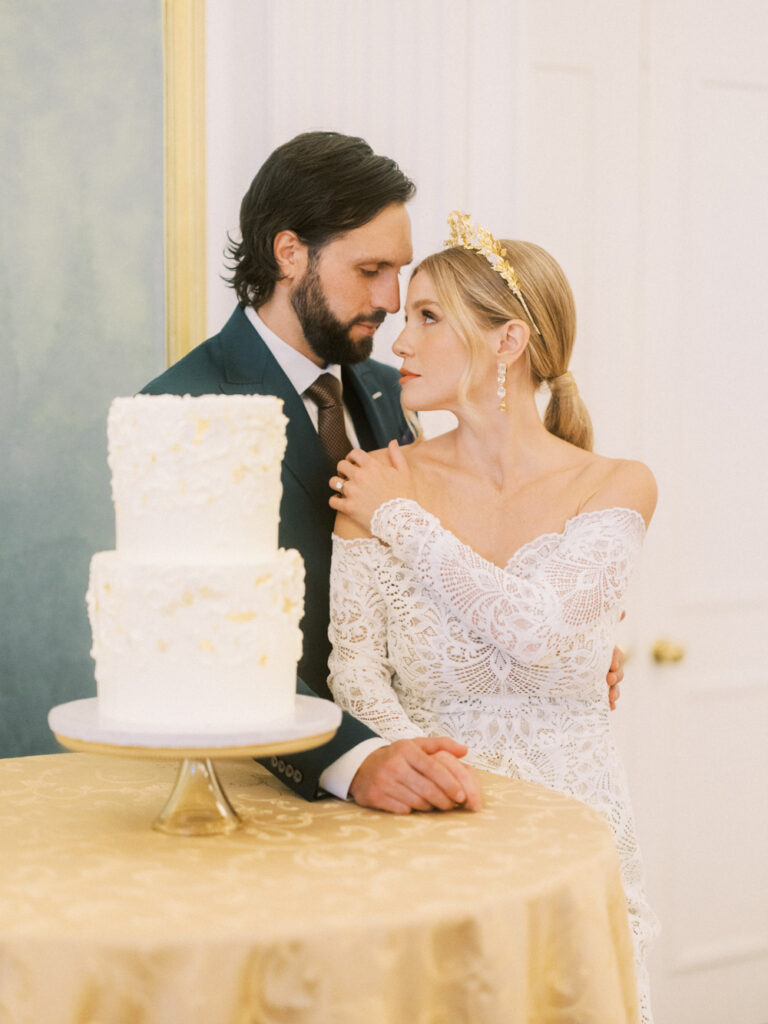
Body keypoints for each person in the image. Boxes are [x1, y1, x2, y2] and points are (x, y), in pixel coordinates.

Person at [142, 132, 620, 817]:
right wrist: (354, 760)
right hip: (258, 794)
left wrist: (558, 655)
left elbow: (438, 575)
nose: (393, 299)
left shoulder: (397, 391)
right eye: (371, 270)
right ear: (289, 253)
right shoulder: (180, 408)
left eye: (399, 271)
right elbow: (205, 634)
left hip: (429, 775)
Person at [327, 212, 659, 1020]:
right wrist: (418, 769)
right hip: (431, 838)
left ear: (508, 343)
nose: (400, 343)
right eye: (406, 318)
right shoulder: (377, 475)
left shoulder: (616, 485)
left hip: (577, 842)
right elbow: (353, 668)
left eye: (429, 318)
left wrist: (404, 520)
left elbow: (538, 629)